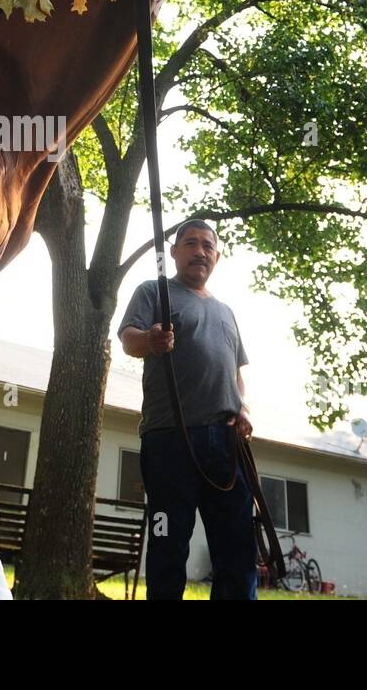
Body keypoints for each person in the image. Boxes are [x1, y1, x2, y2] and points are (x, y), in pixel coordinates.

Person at [117, 218, 257, 600]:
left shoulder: (227, 312)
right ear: (174, 252)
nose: (200, 251)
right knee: (168, 540)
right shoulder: (154, 292)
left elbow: (235, 373)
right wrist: (151, 339)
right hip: (169, 441)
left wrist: (242, 408)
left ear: (217, 255)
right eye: (190, 243)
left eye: (208, 245)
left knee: (238, 547)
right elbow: (129, 339)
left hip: (226, 445)